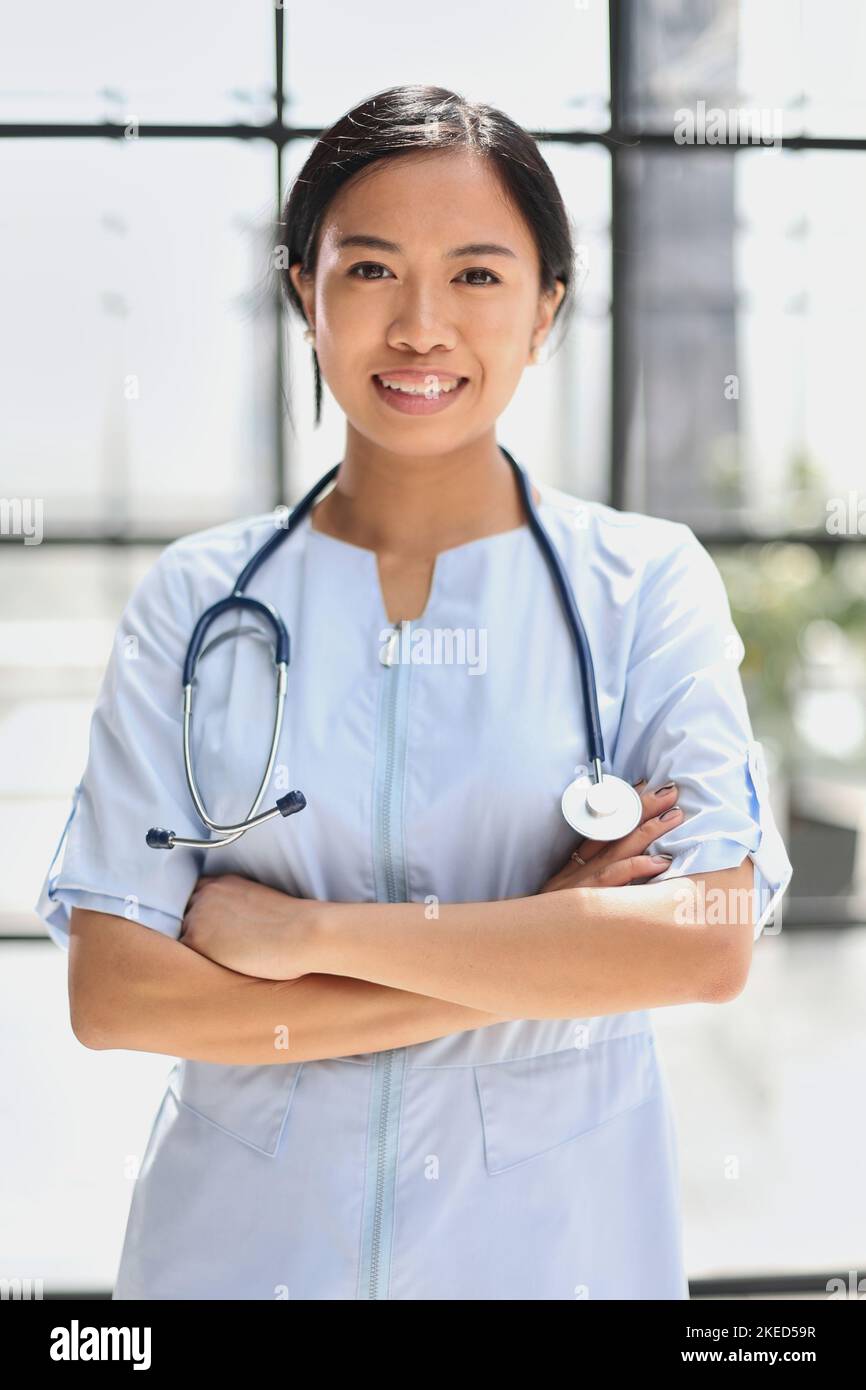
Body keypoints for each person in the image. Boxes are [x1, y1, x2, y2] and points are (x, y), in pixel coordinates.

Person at [35, 84, 793, 1301]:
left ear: (547, 307)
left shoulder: (640, 585)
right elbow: (116, 992)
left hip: (548, 1260)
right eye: (372, 269)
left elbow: (702, 943)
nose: (421, 326)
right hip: (241, 1261)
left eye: (479, 276)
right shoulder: (197, 600)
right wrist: (537, 940)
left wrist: (300, 939)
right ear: (305, 294)